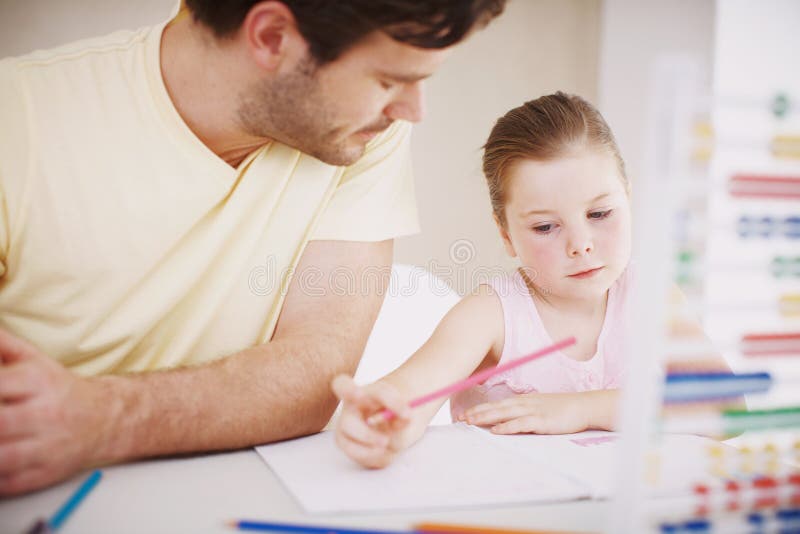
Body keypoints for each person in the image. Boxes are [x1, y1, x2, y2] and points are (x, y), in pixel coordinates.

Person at [0, 0, 506, 495]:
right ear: (271, 37)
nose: (412, 111)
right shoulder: (17, 119)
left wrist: (101, 417)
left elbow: (314, 378)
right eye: (388, 80)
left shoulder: (362, 134)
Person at [332, 92, 730, 469]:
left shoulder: (654, 298)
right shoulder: (489, 315)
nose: (580, 245)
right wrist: (385, 420)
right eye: (544, 227)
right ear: (506, 234)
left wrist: (582, 408)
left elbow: (727, 409)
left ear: (627, 198)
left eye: (599, 214)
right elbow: (413, 392)